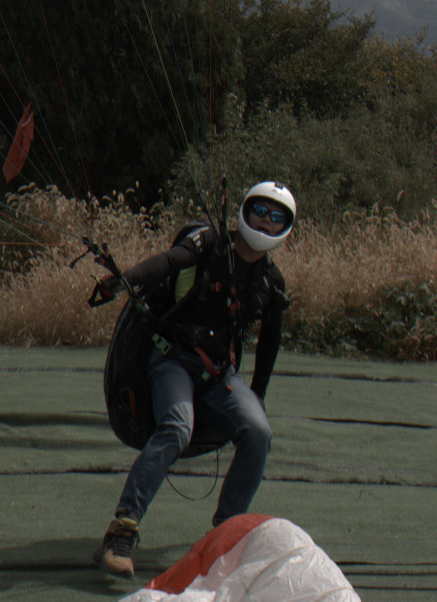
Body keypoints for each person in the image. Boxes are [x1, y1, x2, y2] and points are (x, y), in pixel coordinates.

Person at [93, 181, 297, 578]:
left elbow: (271, 341)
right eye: (259, 210)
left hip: (218, 375)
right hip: (172, 360)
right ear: (244, 209)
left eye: (277, 217)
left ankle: (225, 534)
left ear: (285, 227)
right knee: (176, 427)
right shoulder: (210, 242)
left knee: (259, 432)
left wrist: (257, 394)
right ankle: (122, 531)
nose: (265, 221)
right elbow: (170, 262)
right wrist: (124, 280)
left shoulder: (271, 283)